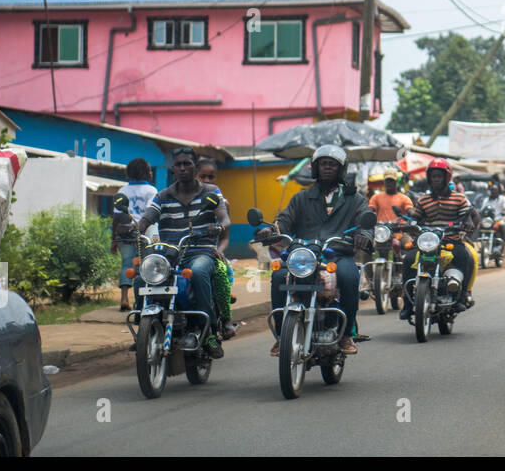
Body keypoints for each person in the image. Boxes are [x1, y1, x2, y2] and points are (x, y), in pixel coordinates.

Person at [255, 144, 369, 357]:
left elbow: (365, 221)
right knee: (279, 276)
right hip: (303, 255)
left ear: (341, 169)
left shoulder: (355, 199)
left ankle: (345, 334)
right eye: (323, 164)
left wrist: (364, 235)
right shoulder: (300, 198)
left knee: (348, 276)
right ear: (315, 168)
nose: (327, 168)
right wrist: (269, 230)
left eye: (332, 164)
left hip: (338, 253)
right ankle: (282, 336)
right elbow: (283, 221)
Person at [135, 147, 231, 358]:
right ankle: (142, 329)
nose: (183, 168)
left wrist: (219, 227)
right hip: (170, 255)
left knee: (198, 272)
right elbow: (149, 216)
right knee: (142, 276)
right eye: (178, 164)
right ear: (173, 169)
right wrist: (138, 228)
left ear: (195, 167)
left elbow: (224, 217)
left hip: (200, 251)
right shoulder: (163, 196)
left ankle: (209, 332)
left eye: (187, 163)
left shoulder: (211, 191)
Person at [399, 157, 477, 320]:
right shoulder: (423, 200)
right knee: (408, 260)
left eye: (439, 176)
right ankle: (407, 303)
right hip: (427, 242)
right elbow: (417, 218)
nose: (436, 179)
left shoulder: (459, 198)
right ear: (429, 178)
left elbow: (469, 213)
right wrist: (409, 223)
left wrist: (468, 221)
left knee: (465, 256)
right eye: (433, 176)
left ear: (446, 178)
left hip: (451, 240)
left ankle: (461, 297)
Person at [195, 159, 236, 341]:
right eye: (202, 176)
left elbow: (225, 237)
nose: (207, 180)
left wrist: (220, 250)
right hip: (187, 251)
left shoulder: (222, 203)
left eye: (211, 177)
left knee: (221, 273)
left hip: (211, 251)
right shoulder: (184, 197)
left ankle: (226, 320)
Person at [112, 158, 157, 312]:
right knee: (144, 265)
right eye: (150, 170)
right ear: (145, 172)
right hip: (142, 233)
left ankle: (124, 298)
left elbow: (116, 217)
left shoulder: (122, 191)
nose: (151, 173)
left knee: (126, 264)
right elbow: (152, 213)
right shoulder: (151, 191)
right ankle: (140, 300)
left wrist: (114, 240)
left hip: (124, 233)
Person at [478, 180, 505, 249]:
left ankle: (503, 244)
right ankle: (482, 241)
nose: (493, 192)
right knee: (479, 226)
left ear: (498, 191)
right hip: (489, 220)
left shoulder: (503, 199)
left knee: (503, 225)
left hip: (499, 219)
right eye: (492, 190)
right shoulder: (486, 199)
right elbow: (482, 208)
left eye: (495, 190)